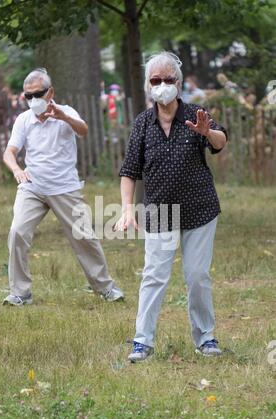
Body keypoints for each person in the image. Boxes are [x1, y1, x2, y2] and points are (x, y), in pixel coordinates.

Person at [115, 52, 227, 362]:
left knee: (197, 275)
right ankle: (143, 341)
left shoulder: (195, 114)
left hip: (199, 208)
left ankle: (206, 338)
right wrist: (127, 209)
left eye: (168, 79)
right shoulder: (143, 123)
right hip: (160, 211)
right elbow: (129, 171)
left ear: (178, 82)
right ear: (148, 85)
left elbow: (220, 142)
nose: (162, 85)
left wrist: (207, 132)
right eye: (155, 80)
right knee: (154, 275)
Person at [3, 68, 124, 306]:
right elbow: (10, 151)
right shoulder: (23, 120)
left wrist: (63, 117)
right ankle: (20, 293)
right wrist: (17, 169)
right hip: (32, 187)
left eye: (38, 94)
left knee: (84, 237)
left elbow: (84, 130)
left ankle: (106, 288)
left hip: (64, 187)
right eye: (28, 96)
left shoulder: (66, 112)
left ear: (51, 92)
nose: (33, 100)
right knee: (17, 232)